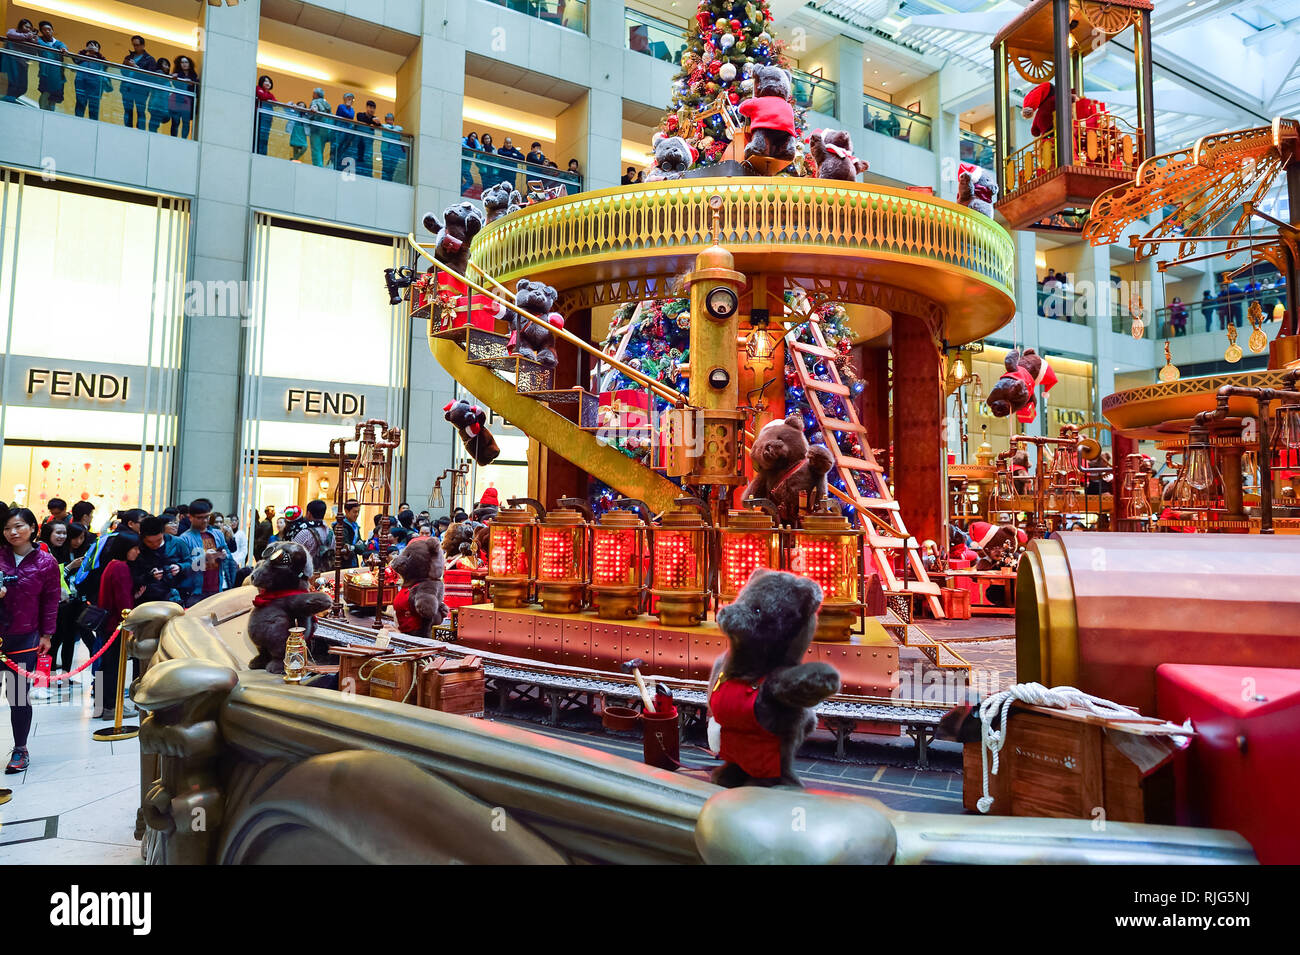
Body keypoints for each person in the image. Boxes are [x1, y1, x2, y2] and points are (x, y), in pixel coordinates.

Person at [1, 507, 61, 773]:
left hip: (24, 636)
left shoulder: (46, 563)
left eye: (18, 526)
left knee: (17, 696)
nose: (12, 532)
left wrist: (47, 634)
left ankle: (20, 749)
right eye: (7, 528)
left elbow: (50, 601)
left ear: (33, 529)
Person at [94, 531, 142, 719]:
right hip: (116, 625)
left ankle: (102, 705)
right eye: (135, 548)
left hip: (107, 624)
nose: (137, 552)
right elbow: (123, 602)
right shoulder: (121, 567)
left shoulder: (112, 565)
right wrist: (130, 623)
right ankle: (112, 707)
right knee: (113, 666)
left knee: (106, 666)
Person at [38, 520, 87, 680]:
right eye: (58, 533)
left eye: (64, 533)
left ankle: (63, 675)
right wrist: (69, 567)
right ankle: (44, 679)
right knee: (51, 640)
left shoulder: (62, 550)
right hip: (50, 604)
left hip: (68, 602)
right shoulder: (42, 548)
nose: (62, 536)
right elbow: (50, 577)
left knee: (68, 637)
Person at [176, 499, 226, 607]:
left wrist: (224, 555)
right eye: (200, 517)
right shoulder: (184, 538)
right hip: (195, 592)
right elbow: (183, 567)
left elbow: (229, 558)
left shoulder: (217, 534)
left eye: (207, 517)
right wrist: (204, 557)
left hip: (218, 587)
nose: (204, 521)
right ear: (190, 517)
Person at [135, 515, 185, 604]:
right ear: (141, 536)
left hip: (175, 596)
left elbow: (190, 563)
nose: (155, 544)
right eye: (149, 542)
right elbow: (133, 575)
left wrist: (180, 567)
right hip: (147, 599)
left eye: (158, 540)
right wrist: (149, 576)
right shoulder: (137, 547)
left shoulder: (177, 543)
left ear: (163, 532)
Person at [120, 35, 156, 129]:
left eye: (137, 45)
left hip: (141, 89)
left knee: (140, 110)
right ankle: (127, 129)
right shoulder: (128, 57)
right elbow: (123, 72)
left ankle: (141, 131)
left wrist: (136, 67)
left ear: (143, 45)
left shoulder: (150, 59)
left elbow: (151, 77)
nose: (135, 47)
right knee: (127, 110)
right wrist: (125, 65)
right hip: (127, 87)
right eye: (133, 45)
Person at [72, 39, 112, 120]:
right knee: (80, 103)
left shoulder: (100, 59)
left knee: (94, 105)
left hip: (96, 84)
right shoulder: (83, 58)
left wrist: (97, 53)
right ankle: (78, 121)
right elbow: (75, 59)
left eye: (94, 46)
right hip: (82, 83)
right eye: (90, 45)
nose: (92, 47)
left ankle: (94, 124)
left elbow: (106, 65)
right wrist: (85, 50)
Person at [2, 19, 40, 104]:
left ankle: (11, 98)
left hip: (22, 64)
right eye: (26, 27)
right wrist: (27, 36)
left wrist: (34, 41)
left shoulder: (29, 39)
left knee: (22, 85)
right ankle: (8, 99)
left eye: (30, 28)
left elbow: (33, 53)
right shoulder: (14, 31)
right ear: (20, 26)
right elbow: (10, 34)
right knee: (11, 81)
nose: (28, 29)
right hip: (11, 62)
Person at [34, 20, 68, 112]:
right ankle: (42, 112)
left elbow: (64, 47)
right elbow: (43, 46)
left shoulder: (59, 43)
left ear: (52, 30)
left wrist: (63, 49)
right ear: (41, 31)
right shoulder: (39, 41)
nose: (47, 31)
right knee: (45, 93)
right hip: (46, 72)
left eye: (49, 29)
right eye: (44, 30)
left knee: (54, 97)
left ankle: (50, 114)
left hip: (58, 74)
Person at [292, 500, 335, 570]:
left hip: (308, 574)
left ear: (308, 513)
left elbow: (292, 553)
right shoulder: (331, 533)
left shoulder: (305, 533)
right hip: (326, 573)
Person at [168, 56, 198, 138]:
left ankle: (183, 139)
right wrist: (175, 78)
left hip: (188, 102)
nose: (184, 64)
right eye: (182, 62)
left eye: (186, 62)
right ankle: (173, 138)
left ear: (189, 64)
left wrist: (192, 82)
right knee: (175, 121)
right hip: (177, 101)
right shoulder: (177, 74)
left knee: (186, 122)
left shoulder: (194, 76)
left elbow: (196, 89)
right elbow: (173, 84)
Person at [354, 99, 381, 177]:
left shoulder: (375, 119)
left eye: (373, 108)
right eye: (370, 107)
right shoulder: (360, 114)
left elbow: (379, 127)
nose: (372, 110)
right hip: (358, 142)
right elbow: (362, 119)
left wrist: (377, 123)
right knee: (357, 159)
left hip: (368, 144)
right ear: (366, 107)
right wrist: (372, 121)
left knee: (367, 160)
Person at [146, 57, 172, 132]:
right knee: (154, 124)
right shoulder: (159, 73)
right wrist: (169, 77)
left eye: (168, 65)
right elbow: (160, 80)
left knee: (154, 123)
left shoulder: (164, 76)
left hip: (158, 104)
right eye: (166, 65)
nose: (168, 67)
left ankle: (152, 135)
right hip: (158, 104)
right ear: (160, 65)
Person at [336, 500, 364, 568]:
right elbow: (346, 547)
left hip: (354, 563)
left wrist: (353, 547)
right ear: (346, 511)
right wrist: (355, 547)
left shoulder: (355, 526)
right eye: (354, 512)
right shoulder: (341, 527)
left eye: (358, 512)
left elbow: (362, 548)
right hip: (343, 564)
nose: (357, 514)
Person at [308, 88, 332, 166]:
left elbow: (314, 108)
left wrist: (312, 110)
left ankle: (318, 167)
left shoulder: (315, 101)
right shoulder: (326, 103)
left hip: (316, 129)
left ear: (316, 94)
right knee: (321, 149)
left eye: (313, 93)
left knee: (316, 150)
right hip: (325, 130)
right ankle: (320, 166)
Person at [334, 92, 358, 171]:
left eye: (351, 99)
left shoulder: (352, 110)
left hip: (347, 131)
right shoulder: (341, 106)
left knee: (343, 148)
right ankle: (334, 163)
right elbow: (345, 114)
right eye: (348, 98)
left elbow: (351, 116)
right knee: (337, 146)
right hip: (339, 129)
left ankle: (338, 164)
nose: (349, 100)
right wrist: (347, 107)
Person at [254, 74, 276, 155]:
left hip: (267, 119)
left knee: (265, 137)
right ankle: (257, 152)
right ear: (261, 82)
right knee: (258, 135)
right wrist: (269, 98)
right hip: (259, 117)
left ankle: (263, 154)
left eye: (269, 82)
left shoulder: (270, 94)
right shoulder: (258, 88)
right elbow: (261, 96)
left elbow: (276, 103)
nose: (268, 83)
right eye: (266, 81)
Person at [380, 112, 405, 182]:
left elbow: (400, 130)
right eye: (388, 119)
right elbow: (384, 127)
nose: (389, 121)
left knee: (393, 168)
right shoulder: (384, 126)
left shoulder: (397, 128)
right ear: (385, 120)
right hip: (386, 150)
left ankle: (389, 180)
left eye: (391, 120)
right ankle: (384, 181)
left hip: (394, 151)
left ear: (393, 120)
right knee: (385, 167)